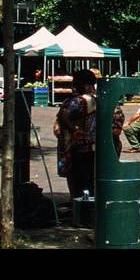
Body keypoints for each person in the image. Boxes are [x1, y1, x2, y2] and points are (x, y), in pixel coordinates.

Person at [54, 70, 98, 202]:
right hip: (94, 147)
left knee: (76, 180)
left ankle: (78, 208)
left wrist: (73, 129)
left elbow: (62, 116)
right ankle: (88, 208)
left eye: (75, 83)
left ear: (83, 85)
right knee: (90, 180)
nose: (73, 86)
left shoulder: (76, 101)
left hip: (76, 148)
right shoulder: (99, 99)